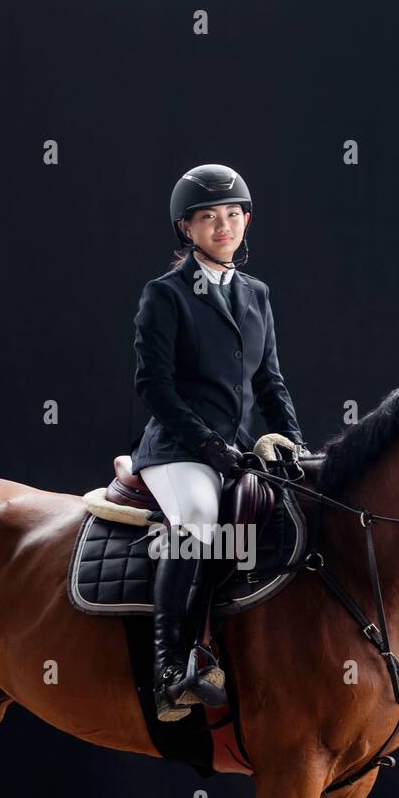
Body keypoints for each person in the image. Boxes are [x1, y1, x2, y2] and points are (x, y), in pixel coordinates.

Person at [129, 163, 309, 722]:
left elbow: (269, 381)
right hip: (180, 450)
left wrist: (295, 444)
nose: (223, 226)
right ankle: (168, 670)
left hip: (238, 449)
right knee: (201, 520)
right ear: (187, 228)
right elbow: (153, 387)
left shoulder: (256, 293)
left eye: (232, 215)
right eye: (209, 218)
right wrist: (206, 444)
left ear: (246, 220)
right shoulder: (165, 296)